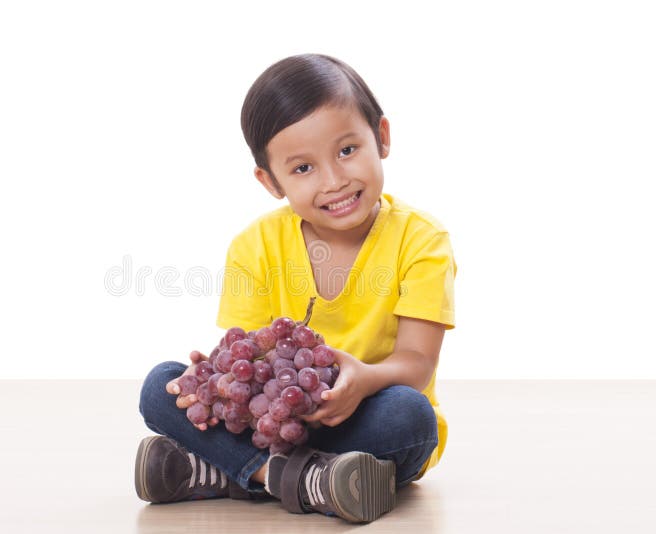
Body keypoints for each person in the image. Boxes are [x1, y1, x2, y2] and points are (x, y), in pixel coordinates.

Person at [136, 53, 457, 523]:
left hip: (365, 418)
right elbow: (247, 361)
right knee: (159, 385)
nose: (334, 180)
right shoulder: (254, 246)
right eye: (303, 169)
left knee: (410, 417)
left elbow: (417, 362)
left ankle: (228, 471)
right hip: (277, 424)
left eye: (347, 150)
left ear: (381, 138)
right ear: (271, 182)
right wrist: (216, 381)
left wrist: (362, 379)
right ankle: (300, 480)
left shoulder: (423, 240)